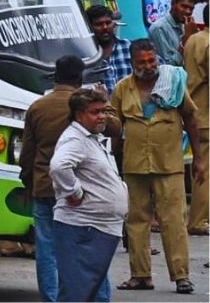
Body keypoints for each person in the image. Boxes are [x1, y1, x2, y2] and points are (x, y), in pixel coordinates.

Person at [19, 55, 119, 302]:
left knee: (48, 250)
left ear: (55, 76)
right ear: (80, 77)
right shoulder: (89, 107)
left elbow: (28, 152)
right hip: (83, 192)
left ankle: (54, 299)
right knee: (91, 251)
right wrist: (105, 101)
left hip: (45, 188)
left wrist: (28, 181)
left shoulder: (38, 107)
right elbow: (116, 128)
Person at [112, 39, 205, 294]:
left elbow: (191, 119)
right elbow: (114, 126)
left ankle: (182, 276)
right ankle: (140, 275)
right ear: (132, 63)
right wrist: (112, 160)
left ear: (157, 59)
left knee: (173, 221)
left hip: (169, 166)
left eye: (151, 60)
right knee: (136, 221)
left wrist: (198, 159)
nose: (148, 66)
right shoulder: (122, 89)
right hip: (134, 166)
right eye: (141, 62)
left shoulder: (172, 83)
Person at [49, 89, 129, 303]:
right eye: (95, 112)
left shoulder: (91, 137)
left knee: (85, 294)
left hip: (97, 228)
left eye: (103, 111)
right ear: (78, 115)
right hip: (84, 228)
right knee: (76, 294)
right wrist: (74, 191)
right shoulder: (75, 138)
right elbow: (58, 166)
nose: (102, 116)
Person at [184, 5, 209, 236]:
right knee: (205, 169)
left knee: (199, 165)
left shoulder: (193, 39)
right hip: (206, 114)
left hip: (192, 109)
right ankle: (198, 220)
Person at [148, 0, 201, 66]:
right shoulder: (159, 28)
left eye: (191, 8)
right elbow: (168, 67)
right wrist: (186, 40)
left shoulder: (185, 26)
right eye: (184, 6)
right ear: (173, 3)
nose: (188, 11)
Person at [86, 5, 133, 94]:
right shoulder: (86, 56)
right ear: (89, 27)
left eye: (108, 23)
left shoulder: (130, 47)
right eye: (98, 24)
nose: (105, 27)